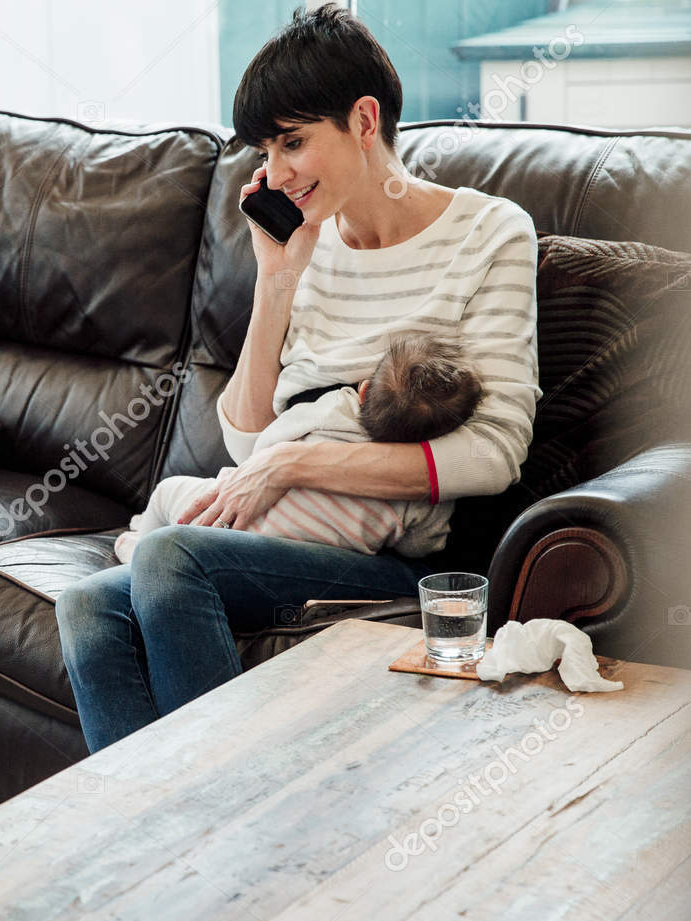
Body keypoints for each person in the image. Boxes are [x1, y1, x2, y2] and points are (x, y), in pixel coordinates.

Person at [57, 2, 539, 753]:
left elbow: (495, 453)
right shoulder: (310, 247)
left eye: (293, 143)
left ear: (365, 121)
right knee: (87, 607)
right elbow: (250, 447)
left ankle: (241, 817)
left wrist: (296, 460)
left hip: (400, 553)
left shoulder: (491, 233)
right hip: (296, 528)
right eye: (264, 150)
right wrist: (276, 281)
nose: (276, 173)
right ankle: (167, 845)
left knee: (170, 552)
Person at [115, 331, 484, 562]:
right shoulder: (420, 491)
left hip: (240, 521)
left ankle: (138, 545)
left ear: (365, 390)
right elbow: (424, 545)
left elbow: (264, 450)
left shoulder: (333, 410)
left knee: (167, 493)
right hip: (319, 559)